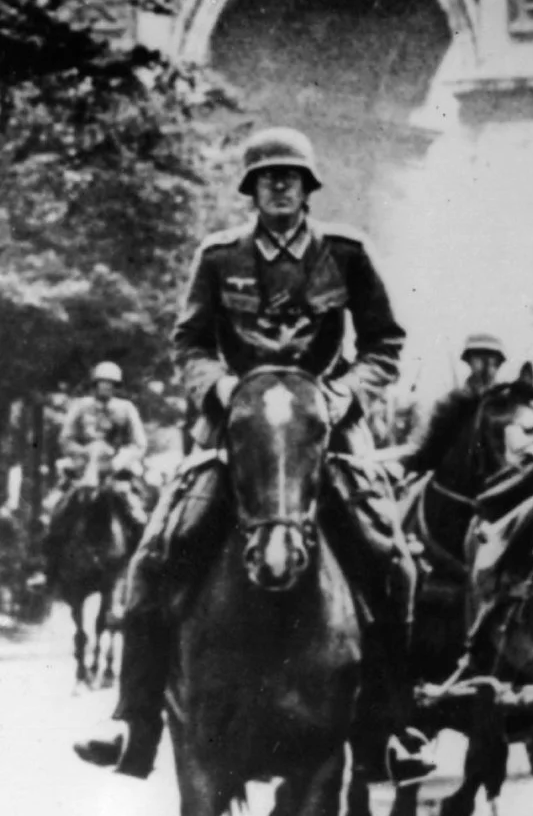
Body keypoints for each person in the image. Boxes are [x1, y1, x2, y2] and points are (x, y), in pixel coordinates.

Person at [77, 125, 422, 780]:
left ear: (308, 188)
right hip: (236, 426)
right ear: (252, 188)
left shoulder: (346, 253)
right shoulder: (218, 256)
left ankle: (393, 728)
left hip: (324, 425)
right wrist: (223, 387)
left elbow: (384, 344)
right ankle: (135, 721)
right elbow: (189, 343)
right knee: (155, 553)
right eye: (269, 177)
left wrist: (341, 395)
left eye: (292, 176)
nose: (281, 186)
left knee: (394, 560)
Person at [46, 362, 152, 539]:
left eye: (110, 383)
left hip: (115, 470)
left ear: (116, 386)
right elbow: (66, 438)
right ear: (94, 384)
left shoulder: (126, 408)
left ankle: (140, 556)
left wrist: (118, 460)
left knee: (136, 515)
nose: (106, 387)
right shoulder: (80, 406)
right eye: (102, 382)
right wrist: (83, 452)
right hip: (82, 468)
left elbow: (139, 443)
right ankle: (52, 557)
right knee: (56, 510)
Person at [392, 332, 509, 479]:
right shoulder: (452, 402)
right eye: (479, 358)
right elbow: (431, 448)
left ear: (498, 364)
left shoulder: (505, 403)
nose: (486, 365)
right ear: (469, 361)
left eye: (492, 361)